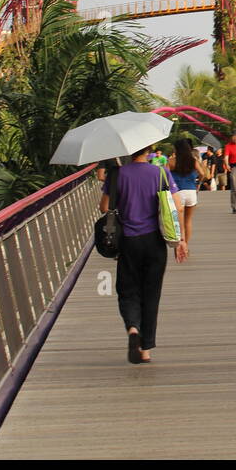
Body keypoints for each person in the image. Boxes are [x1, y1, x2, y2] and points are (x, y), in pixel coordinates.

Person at [98, 145, 186, 364]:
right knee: (151, 294)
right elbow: (177, 206)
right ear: (149, 150)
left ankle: (133, 329)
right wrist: (181, 239)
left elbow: (104, 207)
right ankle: (146, 350)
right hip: (154, 241)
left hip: (127, 241)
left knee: (127, 290)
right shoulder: (160, 173)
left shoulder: (117, 174)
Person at [168, 139, 210, 254]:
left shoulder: (171, 161)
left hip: (178, 193)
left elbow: (165, 177)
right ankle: (186, 244)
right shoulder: (193, 160)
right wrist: (198, 183)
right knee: (188, 221)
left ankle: (180, 245)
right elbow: (202, 174)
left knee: (179, 222)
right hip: (191, 192)